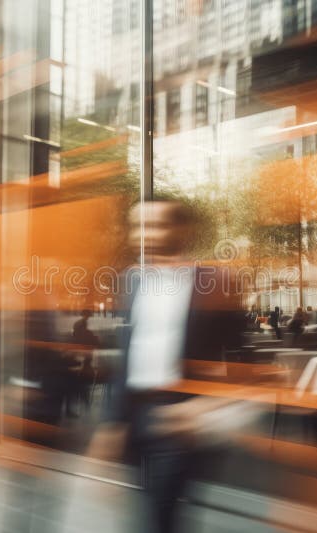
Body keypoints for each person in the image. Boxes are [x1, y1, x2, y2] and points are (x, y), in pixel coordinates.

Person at [89, 200, 244, 533]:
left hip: (179, 418)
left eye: (156, 225)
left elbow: (243, 360)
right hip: (137, 416)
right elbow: (126, 359)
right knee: (146, 512)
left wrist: (204, 406)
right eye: (137, 226)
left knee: (161, 514)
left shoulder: (215, 281)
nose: (144, 234)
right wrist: (111, 425)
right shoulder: (131, 282)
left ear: (182, 230)